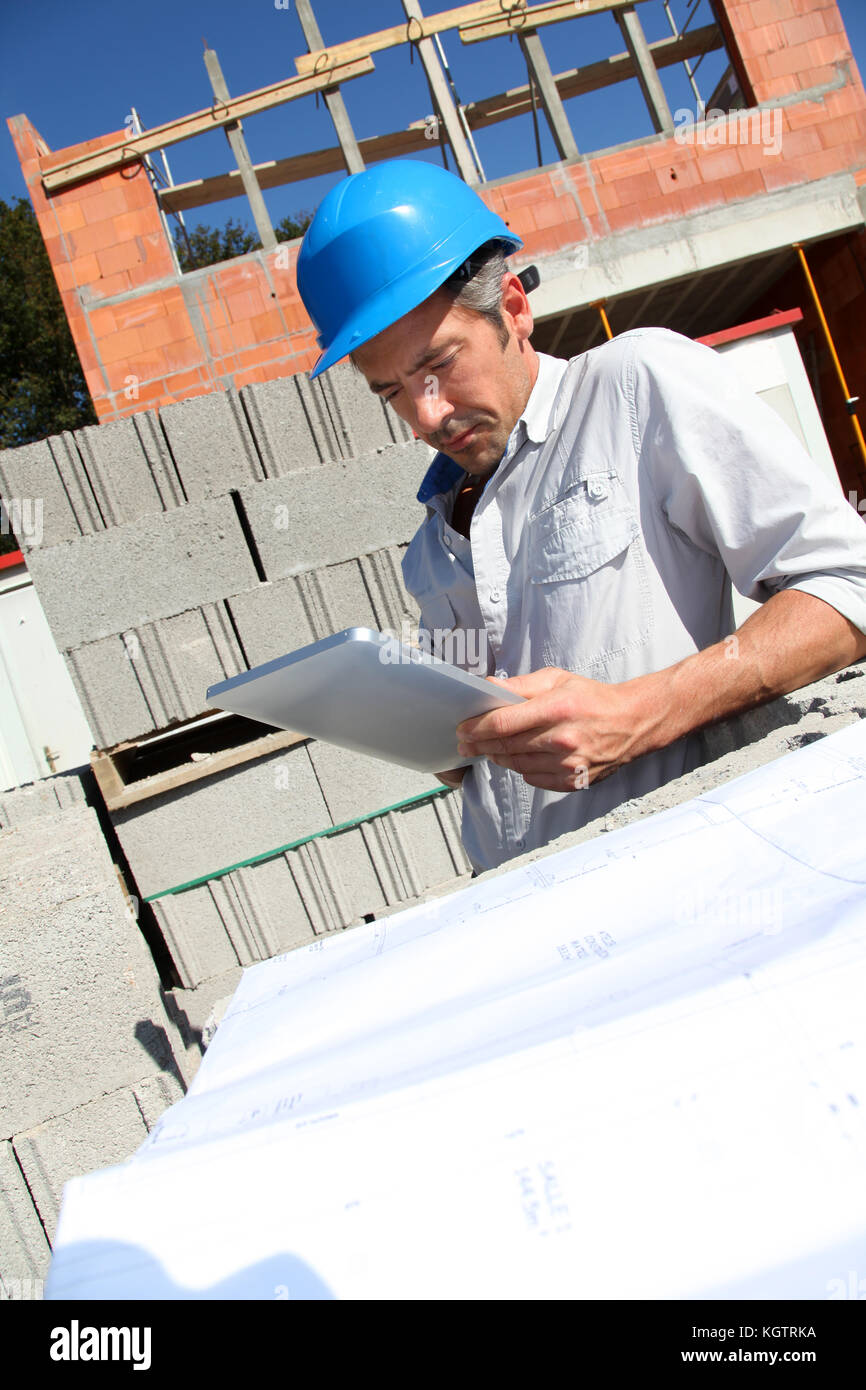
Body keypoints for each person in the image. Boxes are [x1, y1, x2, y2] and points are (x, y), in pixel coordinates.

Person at [297, 158, 866, 874]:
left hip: (688, 881)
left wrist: (639, 713)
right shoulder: (434, 545)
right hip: (522, 910)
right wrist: (431, 734)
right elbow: (472, 755)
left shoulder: (636, 390)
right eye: (393, 394)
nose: (426, 415)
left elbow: (849, 585)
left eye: (438, 365)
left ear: (512, 306)